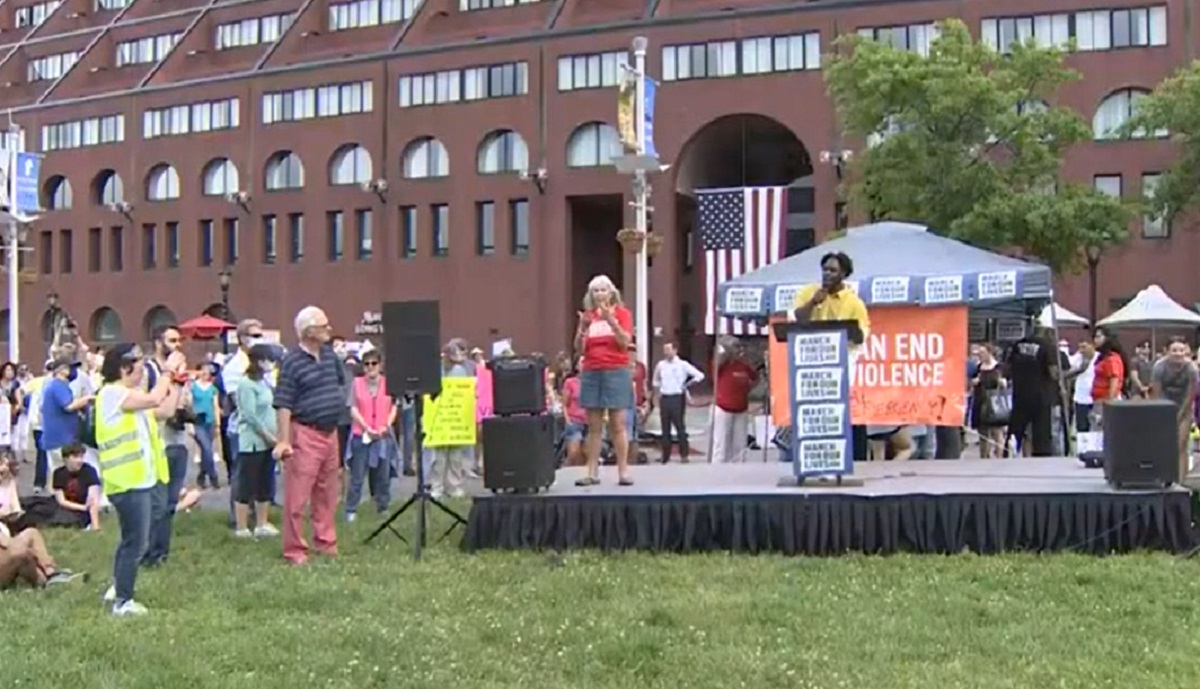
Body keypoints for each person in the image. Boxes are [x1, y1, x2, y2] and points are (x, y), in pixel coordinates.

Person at [96, 342, 184, 616]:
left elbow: (165, 410)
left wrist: (178, 382)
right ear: (124, 368)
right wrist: (168, 372)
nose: (144, 370)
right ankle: (124, 600)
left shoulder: (130, 396)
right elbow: (155, 399)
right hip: (127, 481)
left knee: (132, 538)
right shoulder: (113, 394)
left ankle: (118, 586)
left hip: (141, 480)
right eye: (139, 364)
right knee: (136, 542)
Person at [273, 306, 346, 566]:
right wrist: (284, 440)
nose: (329, 329)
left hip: (330, 431)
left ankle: (325, 542)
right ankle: (295, 549)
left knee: (327, 492)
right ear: (309, 332)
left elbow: (338, 383)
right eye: (324, 326)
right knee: (298, 495)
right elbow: (283, 402)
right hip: (305, 431)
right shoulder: (292, 361)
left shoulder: (329, 356)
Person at [791, 252, 871, 459]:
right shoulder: (808, 292)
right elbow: (795, 319)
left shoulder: (854, 303)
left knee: (835, 415)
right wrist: (813, 303)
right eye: (825, 269)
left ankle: (837, 458)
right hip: (810, 366)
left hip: (839, 368)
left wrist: (847, 331)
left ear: (844, 274)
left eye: (833, 270)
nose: (827, 274)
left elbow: (861, 336)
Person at [574, 275, 635, 487]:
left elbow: (625, 342)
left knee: (618, 423)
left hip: (616, 370)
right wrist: (582, 328)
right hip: (592, 371)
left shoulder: (622, 314)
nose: (599, 294)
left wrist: (612, 321)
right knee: (594, 426)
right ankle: (591, 472)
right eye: (596, 290)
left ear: (611, 293)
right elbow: (579, 349)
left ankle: (623, 471)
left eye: (603, 290)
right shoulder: (589, 317)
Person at [233, 344, 281, 538]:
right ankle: (242, 527)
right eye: (269, 359)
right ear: (259, 361)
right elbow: (250, 415)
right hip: (252, 442)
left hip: (268, 443)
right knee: (246, 483)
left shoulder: (264, 382)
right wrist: (267, 436)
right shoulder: (246, 384)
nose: (271, 363)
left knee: (265, 482)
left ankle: (262, 523)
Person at [345, 349, 397, 521]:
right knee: (357, 476)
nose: (370, 367)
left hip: (383, 435)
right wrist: (366, 427)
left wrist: (386, 426)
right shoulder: (357, 383)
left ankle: (383, 507)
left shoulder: (389, 384)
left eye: (373, 363)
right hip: (362, 434)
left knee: (383, 475)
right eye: (366, 364)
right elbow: (352, 408)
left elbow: (394, 407)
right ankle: (351, 509)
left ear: (380, 365)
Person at [425, 341, 478, 498]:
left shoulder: (461, 371)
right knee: (439, 457)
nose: (455, 363)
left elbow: (466, 392)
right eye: (452, 359)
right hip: (439, 419)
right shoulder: (435, 371)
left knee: (455, 455)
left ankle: (454, 486)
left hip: (456, 419)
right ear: (446, 356)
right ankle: (437, 486)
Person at [1004, 325, 1058, 457]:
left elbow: (1008, 368)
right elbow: (1053, 373)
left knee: (1016, 427)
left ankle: (1009, 452)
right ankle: (1040, 457)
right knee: (1041, 431)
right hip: (1041, 394)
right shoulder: (1047, 346)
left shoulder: (1018, 344)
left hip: (1020, 393)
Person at [1150, 337, 1196, 480]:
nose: (1178, 354)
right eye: (1174, 350)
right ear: (1167, 352)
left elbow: (1191, 395)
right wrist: (1164, 416)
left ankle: (1181, 480)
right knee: (1164, 444)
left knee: (1181, 446)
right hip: (1163, 405)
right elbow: (1156, 394)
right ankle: (1163, 476)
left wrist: (1180, 415)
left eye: (1181, 350)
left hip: (1184, 406)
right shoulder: (1159, 367)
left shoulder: (1191, 369)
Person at [652, 342, 704, 464]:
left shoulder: (682, 365)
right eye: (665, 350)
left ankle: (684, 454)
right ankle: (665, 455)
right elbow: (656, 380)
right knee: (665, 428)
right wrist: (657, 393)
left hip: (677, 396)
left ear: (675, 350)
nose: (666, 353)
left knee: (680, 426)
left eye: (669, 350)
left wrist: (686, 385)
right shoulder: (661, 365)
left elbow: (699, 375)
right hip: (665, 397)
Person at [712, 340, 759, 463]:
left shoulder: (743, 366)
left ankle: (738, 465)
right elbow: (716, 365)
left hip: (741, 408)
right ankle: (718, 465)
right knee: (721, 441)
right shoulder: (722, 366)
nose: (738, 351)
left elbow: (755, 378)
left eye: (739, 348)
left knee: (740, 442)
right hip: (723, 407)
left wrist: (748, 388)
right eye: (735, 348)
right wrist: (724, 352)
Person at [51, 441, 102, 530]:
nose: (79, 460)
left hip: (82, 511)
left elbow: (93, 499)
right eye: (75, 457)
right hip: (68, 506)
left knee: (65, 519)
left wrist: (95, 525)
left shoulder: (89, 471)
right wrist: (82, 507)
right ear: (66, 459)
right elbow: (61, 501)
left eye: (81, 457)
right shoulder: (58, 473)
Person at [969, 345, 1007, 458]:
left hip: (995, 401)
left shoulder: (999, 367)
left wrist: (1001, 382)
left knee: (997, 432)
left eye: (983, 352)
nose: (980, 355)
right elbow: (972, 382)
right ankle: (984, 455)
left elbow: (1005, 383)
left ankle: (999, 455)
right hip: (981, 401)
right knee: (983, 433)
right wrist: (974, 382)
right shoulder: (978, 368)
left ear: (990, 353)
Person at [190, 362, 222, 489]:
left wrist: (217, 425)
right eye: (203, 371)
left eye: (207, 372)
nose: (205, 374)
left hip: (210, 422)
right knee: (207, 449)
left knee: (206, 451)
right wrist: (190, 425)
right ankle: (214, 476)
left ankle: (202, 475)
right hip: (198, 421)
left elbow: (215, 406)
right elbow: (190, 404)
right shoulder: (193, 387)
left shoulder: (213, 389)